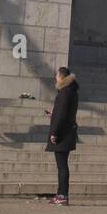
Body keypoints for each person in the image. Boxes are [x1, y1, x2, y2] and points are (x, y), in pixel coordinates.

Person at [45, 66, 79, 205]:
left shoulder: (65, 92)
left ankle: (63, 195)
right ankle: (60, 194)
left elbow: (62, 114)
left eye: (57, 76)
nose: (55, 78)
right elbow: (63, 112)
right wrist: (54, 114)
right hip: (68, 131)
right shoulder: (71, 91)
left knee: (62, 166)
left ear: (62, 77)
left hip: (62, 134)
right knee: (62, 166)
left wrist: (54, 132)